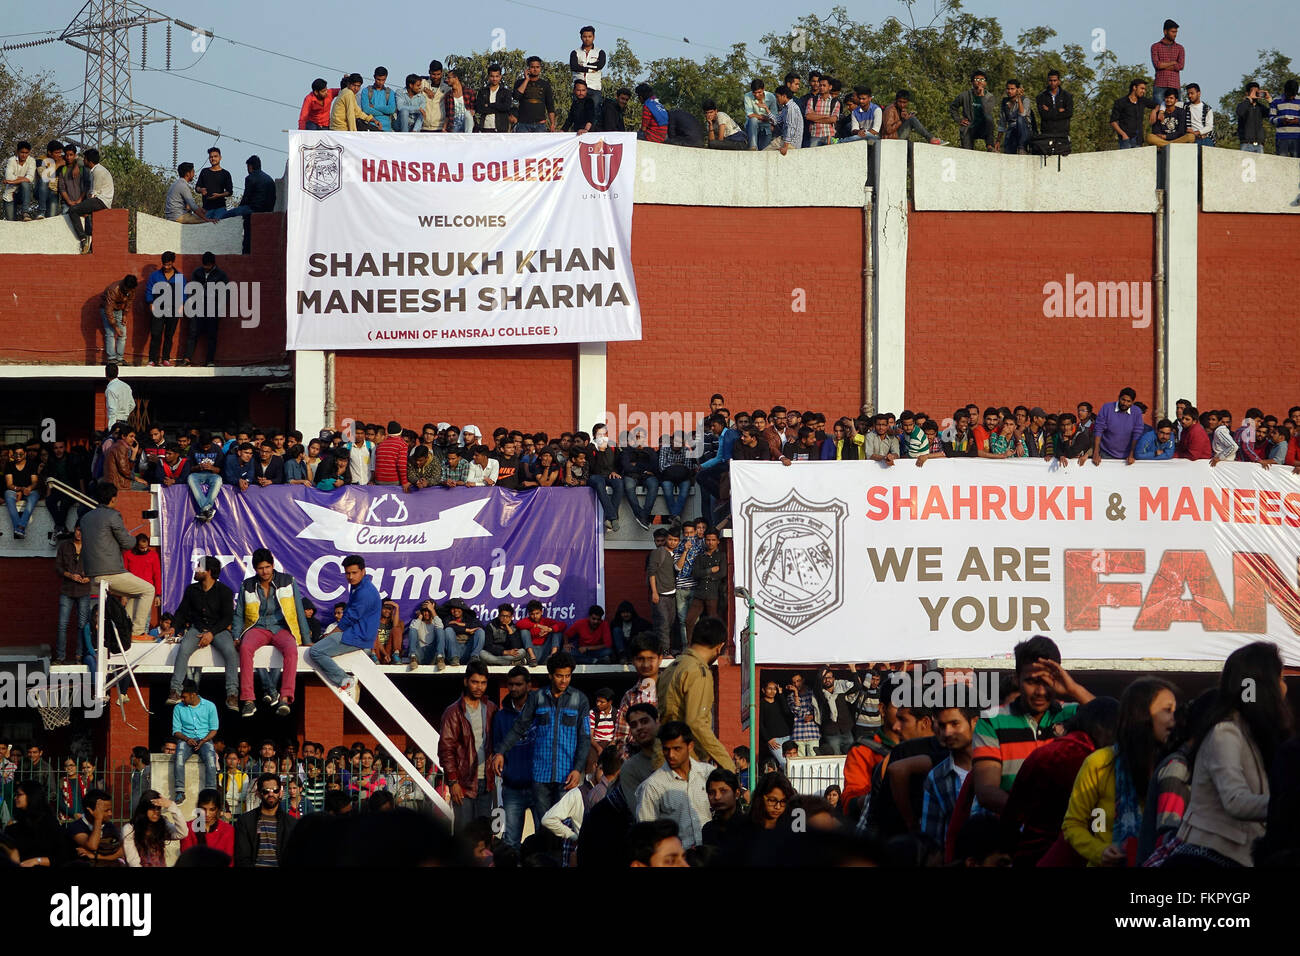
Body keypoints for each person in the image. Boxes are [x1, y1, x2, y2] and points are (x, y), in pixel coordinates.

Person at [1166, 642, 1287, 867]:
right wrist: (1288, 805)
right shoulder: (1226, 732)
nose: (1283, 688)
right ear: (1264, 686)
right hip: (1207, 859)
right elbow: (1235, 801)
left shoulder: (1255, 733)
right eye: (1280, 679)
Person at [1061, 679, 1178, 866]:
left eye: (1175, 711)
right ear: (1142, 714)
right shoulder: (1100, 763)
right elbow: (1072, 824)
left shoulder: (1174, 767)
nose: (1174, 718)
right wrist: (1100, 851)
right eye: (1167, 710)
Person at [971, 635, 1093, 814]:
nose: (1040, 691)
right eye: (1031, 681)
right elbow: (986, 791)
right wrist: (1033, 817)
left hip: (1069, 833)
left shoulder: (1075, 713)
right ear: (1017, 678)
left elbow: (1114, 723)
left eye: (1046, 681)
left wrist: (1073, 689)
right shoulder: (991, 720)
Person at [491, 652, 591, 817]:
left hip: (567, 774)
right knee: (544, 826)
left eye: (568, 676)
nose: (564, 680)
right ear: (551, 675)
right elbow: (519, 727)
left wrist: (578, 769)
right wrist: (501, 751)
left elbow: (585, 738)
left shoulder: (580, 700)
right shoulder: (537, 698)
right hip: (540, 775)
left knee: (563, 825)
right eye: (559, 676)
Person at [237, 548, 310, 717]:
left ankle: (285, 697)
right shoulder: (246, 585)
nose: (265, 571)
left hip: (281, 628)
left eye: (268, 567)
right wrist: (235, 636)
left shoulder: (288, 581)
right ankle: (248, 700)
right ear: (255, 569)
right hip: (257, 627)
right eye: (261, 568)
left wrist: (306, 638)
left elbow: (299, 610)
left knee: (291, 650)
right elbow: (239, 613)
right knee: (245, 647)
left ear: (273, 565)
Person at [656, 616, 735, 771]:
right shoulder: (699, 671)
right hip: (683, 763)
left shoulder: (671, 667)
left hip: (663, 756)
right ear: (720, 647)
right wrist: (728, 765)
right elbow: (696, 723)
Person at [81, 482, 155, 639]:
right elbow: (127, 543)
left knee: (137, 594)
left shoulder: (85, 518)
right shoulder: (113, 515)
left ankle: (125, 629)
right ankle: (137, 632)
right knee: (148, 590)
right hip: (110, 572)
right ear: (113, 499)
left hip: (92, 574)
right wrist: (134, 539)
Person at [168, 555, 239, 710]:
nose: (196, 569)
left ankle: (232, 694)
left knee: (230, 652)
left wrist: (211, 633)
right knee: (184, 649)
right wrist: (173, 627)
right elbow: (181, 612)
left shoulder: (225, 591)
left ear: (208, 571)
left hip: (218, 630)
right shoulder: (192, 589)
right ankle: (175, 691)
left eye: (199, 567)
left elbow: (227, 617)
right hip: (197, 628)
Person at [305, 554, 381, 696]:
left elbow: (348, 620)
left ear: (363, 571)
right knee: (319, 645)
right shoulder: (358, 587)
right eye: (347, 573)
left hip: (357, 637)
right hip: (353, 634)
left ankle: (346, 680)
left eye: (354, 573)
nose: (350, 577)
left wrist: (331, 634)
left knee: (315, 651)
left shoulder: (365, 592)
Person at [634, 721, 712, 849]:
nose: (671, 755)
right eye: (666, 749)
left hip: (710, 856)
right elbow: (646, 833)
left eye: (677, 749)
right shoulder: (652, 786)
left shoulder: (707, 774)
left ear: (690, 746)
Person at [439, 660, 498, 831]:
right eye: (475, 682)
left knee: (484, 834)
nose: (479, 687)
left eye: (483, 683)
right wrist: (453, 781)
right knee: (464, 835)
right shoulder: (453, 712)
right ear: (466, 681)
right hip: (463, 783)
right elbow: (446, 749)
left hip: (486, 782)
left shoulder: (491, 708)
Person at [493, 666, 540, 848]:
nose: (514, 688)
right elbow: (497, 748)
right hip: (512, 787)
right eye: (510, 684)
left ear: (529, 686)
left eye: (518, 684)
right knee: (511, 842)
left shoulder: (540, 713)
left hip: (539, 787)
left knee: (544, 841)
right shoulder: (501, 716)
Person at [234, 772, 297, 866]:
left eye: (275, 791)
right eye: (266, 791)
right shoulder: (245, 821)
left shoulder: (291, 824)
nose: (271, 794)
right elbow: (242, 857)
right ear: (259, 794)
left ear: (280, 793)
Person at [5, 780, 72, 866]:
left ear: (31, 796)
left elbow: (61, 856)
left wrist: (37, 861)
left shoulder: (48, 822)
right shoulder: (16, 823)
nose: (15, 797)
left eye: (19, 794)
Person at [65, 147, 113, 253]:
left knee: (73, 210)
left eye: (85, 159)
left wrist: (84, 207)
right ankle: (89, 239)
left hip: (101, 201)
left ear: (89, 161)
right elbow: (78, 160)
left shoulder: (98, 172)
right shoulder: (96, 169)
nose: (83, 161)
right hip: (100, 200)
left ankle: (83, 238)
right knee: (82, 211)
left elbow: (93, 194)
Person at [122, 791, 187, 867]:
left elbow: (182, 833)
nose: (156, 812)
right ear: (144, 809)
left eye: (158, 808)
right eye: (152, 809)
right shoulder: (130, 829)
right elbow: (133, 861)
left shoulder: (162, 824)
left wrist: (172, 806)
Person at [68, 788, 125, 866]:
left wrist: (96, 856)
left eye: (110, 810)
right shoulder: (76, 827)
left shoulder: (109, 826)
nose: (110, 813)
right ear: (90, 811)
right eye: (106, 810)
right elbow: (92, 846)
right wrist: (98, 819)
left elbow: (120, 852)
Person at [179, 788, 235, 864]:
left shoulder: (228, 830)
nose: (207, 814)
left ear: (218, 809)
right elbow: (186, 859)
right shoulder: (188, 828)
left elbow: (229, 861)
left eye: (212, 809)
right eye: (203, 809)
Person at [646, 527, 679, 655]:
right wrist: (654, 592)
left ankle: (665, 650)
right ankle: (664, 652)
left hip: (672, 594)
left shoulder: (674, 553)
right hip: (660, 595)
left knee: (670, 624)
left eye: (675, 540)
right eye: (670, 539)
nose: (672, 542)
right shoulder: (659, 552)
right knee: (663, 624)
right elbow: (651, 572)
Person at [950, 70, 996, 150]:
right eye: (976, 80)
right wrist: (959, 119)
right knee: (967, 151)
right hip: (970, 126)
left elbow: (987, 111)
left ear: (985, 83)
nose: (979, 82)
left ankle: (990, 146)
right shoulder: (965, 95)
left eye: (982, 80)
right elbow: (953, 107)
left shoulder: (990, 97)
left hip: (983, 127)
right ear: (972, 82)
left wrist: (982, 97)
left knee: (989, 119)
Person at [512, 56, 556, 132]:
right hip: (523, 124)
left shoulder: (545, 84)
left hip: (540, 125)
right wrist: (526, 80)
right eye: (532, 67)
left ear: (540, 68)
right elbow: (516, 97)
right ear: (528, 68)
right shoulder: (519, 83)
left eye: (537, 67)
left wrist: (552, 123)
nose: (535, 69)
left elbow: (550, 105)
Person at [1110, 79, 1158, 149]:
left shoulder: (1143, 100)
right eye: (1142, 88)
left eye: (1144, 89)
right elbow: (1113, 121)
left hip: (1139, 140)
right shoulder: (1121, 102)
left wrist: (1154, 111)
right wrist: (1123, 135)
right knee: (1126, 159)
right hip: (1126, 140)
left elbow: (1157, 105)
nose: (1144, 91)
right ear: (1134, 87)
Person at [569, 26, 606, 113]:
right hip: (579, 88)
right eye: (585, 36)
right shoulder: (575, 52)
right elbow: (574, 66)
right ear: (581, 37)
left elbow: (600, 65)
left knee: (596, 112)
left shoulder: (600, 52)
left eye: (589, 36)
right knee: (577, 112)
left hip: (594, 88)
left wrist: (582, 66)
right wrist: (590, 68)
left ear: (594, 37)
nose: (587, 39)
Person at [1150, 18, 1185, 102]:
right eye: (1172, 32)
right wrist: (1173, 63)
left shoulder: (1180, 48)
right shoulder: (1155, 47)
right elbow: (1157, 65)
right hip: (1160, 84)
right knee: (1159, 111)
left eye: (1176, 32)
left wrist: (1163, 65)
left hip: (1174, 85)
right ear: (1165, 31)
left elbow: (1180, 66)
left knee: (1177, 113)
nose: (1175, 34)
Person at [1036, 70, 1074, 141]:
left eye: (1055, 80)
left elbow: (1069, 113)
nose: (1052, 83)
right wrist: (1060, 111)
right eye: (1050, 80)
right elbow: (1043, 115)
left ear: (1059, 81)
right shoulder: (1041, 97)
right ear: (1047, 81)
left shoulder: (1067, 96)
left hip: (1063, 133)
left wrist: (1049, 110)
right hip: (1046, 133)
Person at [2, 140, 36, 221]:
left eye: (26, 153)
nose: (24, 155)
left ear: (29, 152)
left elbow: (30, 178)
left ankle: (25, 212)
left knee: (25, 184)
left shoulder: (31, 161)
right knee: (11, 222)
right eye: (22, 152)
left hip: (23, 194)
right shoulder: (11, 160)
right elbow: (8, 177)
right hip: (10, 194)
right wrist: (23, 178)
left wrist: (12, 181)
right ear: (17, 152)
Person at [1235, 82, 1271, 153]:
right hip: (1246, 143)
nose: (1255, 93)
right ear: (1247, 93)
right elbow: (1240, 112)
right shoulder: (1243, 105)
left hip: (1259, 144)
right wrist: (1249, 99)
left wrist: (1269, 100)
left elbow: (1272, 113)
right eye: (1253, 91)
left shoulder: (1260, 107)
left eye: (1256, 91)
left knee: (1260, 164)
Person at [1269, 78, 1300, 158]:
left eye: (1293, 95)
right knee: (1281, 164)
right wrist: (1281, 120)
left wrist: (1297, 121)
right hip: (1281, 138)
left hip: (1297, 138)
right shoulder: (1276, 101)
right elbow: (1271, 119)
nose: (1291, 97)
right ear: (1285, 91)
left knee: (1297, 165)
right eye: (1290, 95)